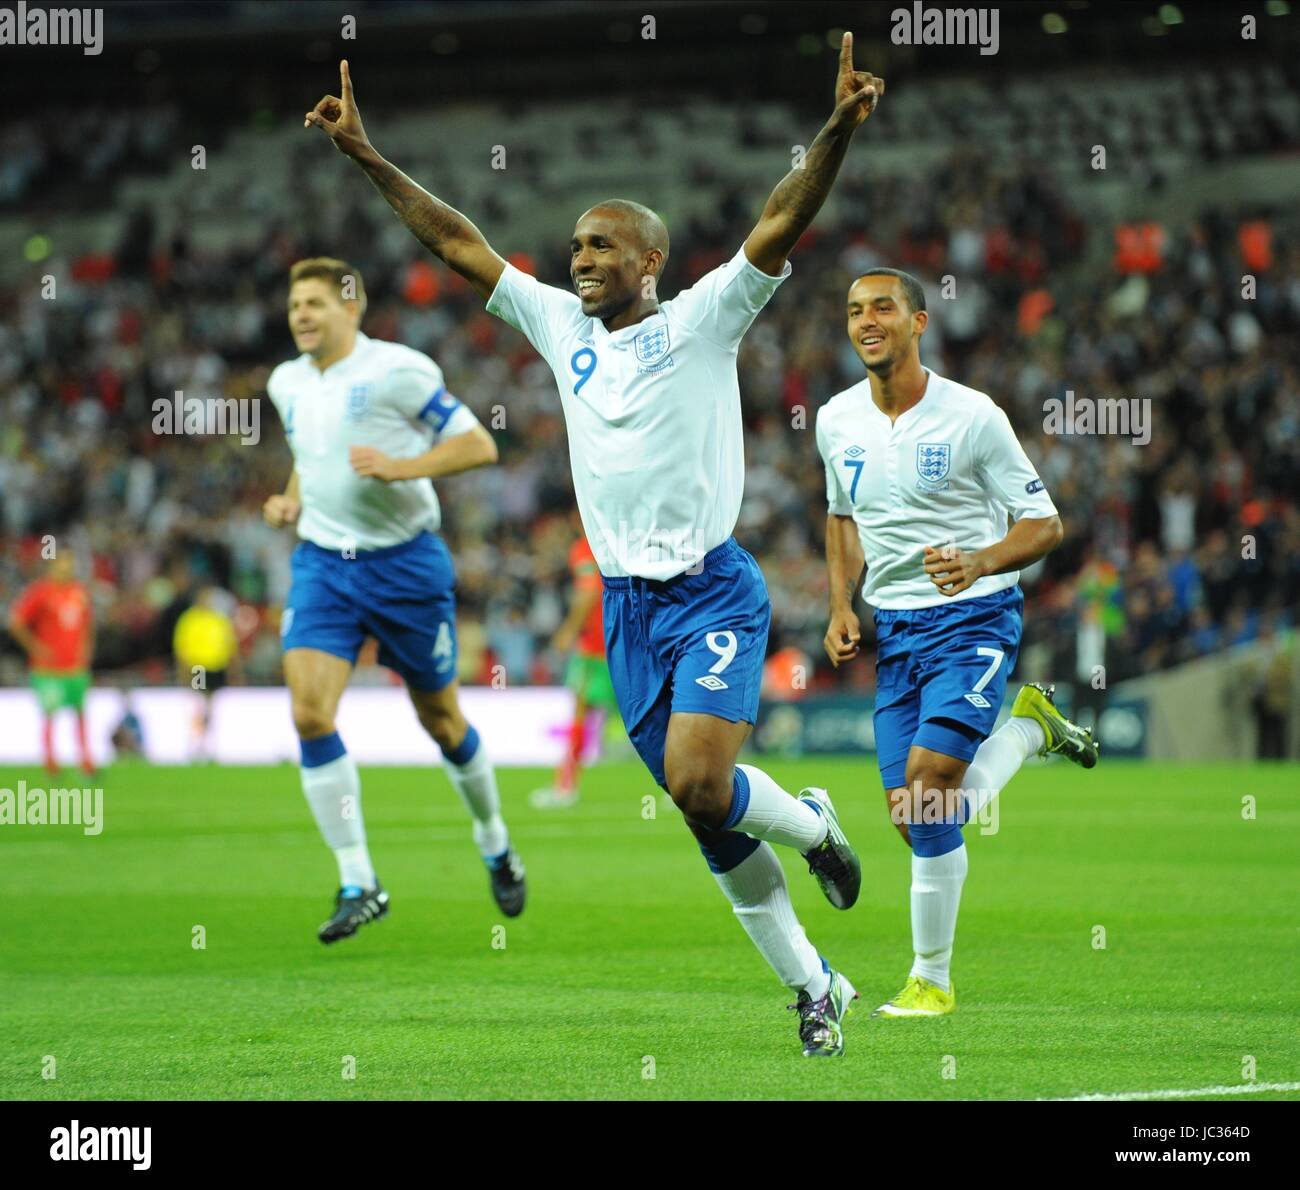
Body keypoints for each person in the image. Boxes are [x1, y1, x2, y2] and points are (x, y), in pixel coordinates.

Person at [305, 38, 882, 1055]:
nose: (579, 259)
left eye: (601, 247)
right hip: (625, 609)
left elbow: (780, 219)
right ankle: (815, 981)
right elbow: (458, 239)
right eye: (575, 244)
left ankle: (818, 827)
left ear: (650, 261)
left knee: (705, 784)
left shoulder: (706, 317)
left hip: (707, 591)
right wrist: (366, 155)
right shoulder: (557, 325)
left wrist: (833, 127)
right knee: (705, 817)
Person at [818, 267, 1099, 1019]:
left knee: (930, 780)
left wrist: (979, 560)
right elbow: (842, 517)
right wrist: (842, 602)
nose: (867, 319)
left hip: (974, 618)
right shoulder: (835, 420)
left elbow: (1045, 525)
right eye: (854, 310)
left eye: (884, 307)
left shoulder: (973, 416)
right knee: (917, 817)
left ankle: (932, 980)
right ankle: (1031, 729)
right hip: (897, 631)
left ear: (918, 324)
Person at [263, 256, 524, 945]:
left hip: (406, 568)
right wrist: (294, 496)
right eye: (295, 305)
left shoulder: (397, 371)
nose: (302, 316)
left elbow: (478, 444)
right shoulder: (285, 382)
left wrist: (400, 467)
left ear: (353, 305)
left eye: (315, 303)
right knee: (309, 712)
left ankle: (495, 841)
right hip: (324, 565)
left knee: (441, 722)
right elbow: (310, 449)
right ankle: (359, 880)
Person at [531, 523, 618, 809]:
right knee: (652, 716)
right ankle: (680, 787)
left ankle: (565, 787)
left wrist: (568, 630)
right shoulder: (622, 543)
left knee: (580, 715)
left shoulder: (585, 547)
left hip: (595, 646)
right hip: (627, 642)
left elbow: (588, 591)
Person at [9, 551, 96, 776]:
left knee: (80, 713)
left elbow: (87, 626)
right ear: (52, 566)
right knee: (50, 714)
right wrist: (35, 647)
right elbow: (15, 622)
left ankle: (86, 761)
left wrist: (85, 651)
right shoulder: (40, 592)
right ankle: (50, 762)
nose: (67, 567)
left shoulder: (79, 592)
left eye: (70, 563)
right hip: (47, 669)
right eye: (62, 563)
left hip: (75, 667)